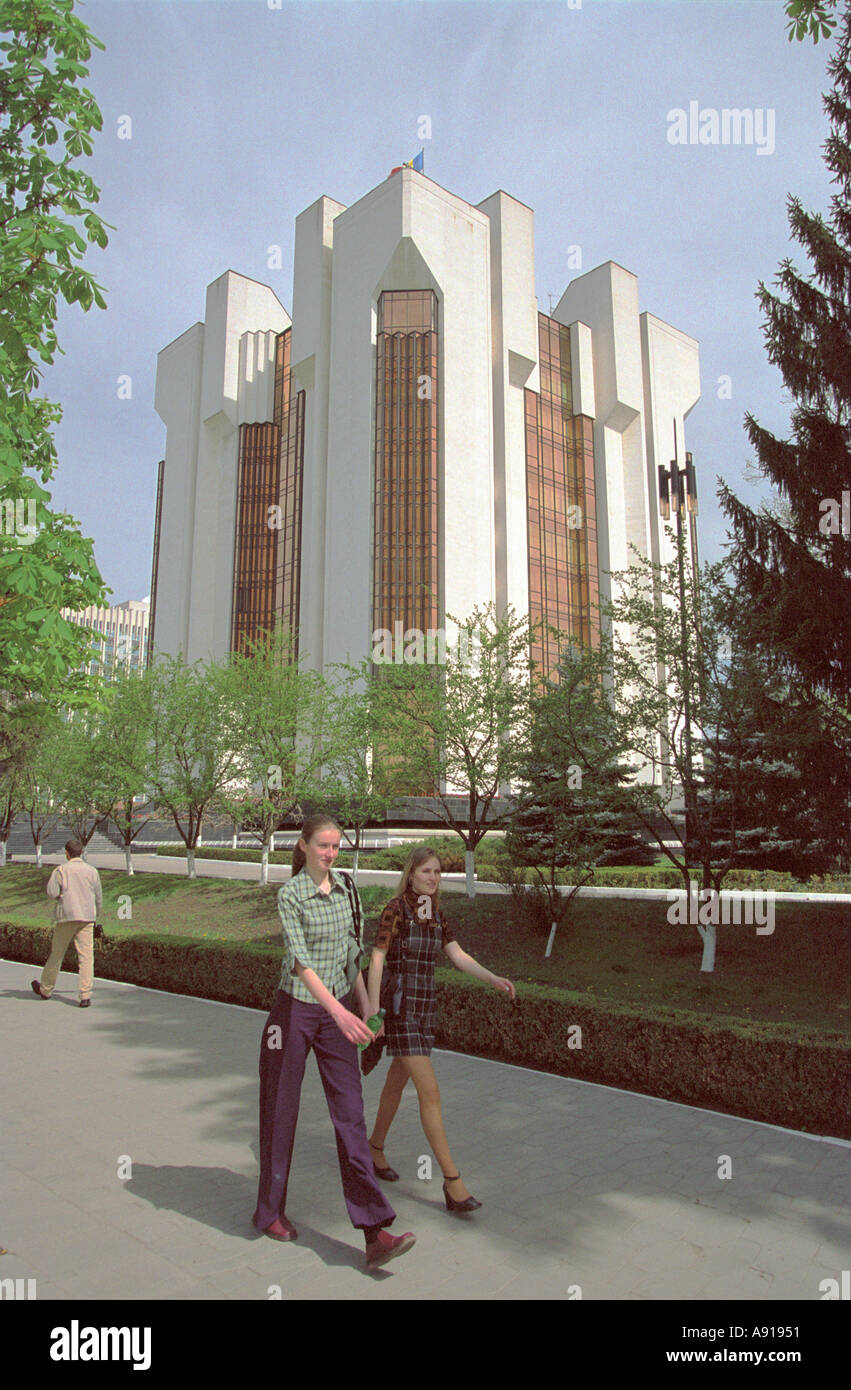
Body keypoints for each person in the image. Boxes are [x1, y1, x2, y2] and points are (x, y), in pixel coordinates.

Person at [252, 815, 416, 1268]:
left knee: (349, 1118)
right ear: (303, 846)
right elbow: (301, 964)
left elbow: (350, 953)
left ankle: (374, 1234)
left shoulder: (347, 888)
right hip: (296, 1011)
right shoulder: (290, 895)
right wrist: (340, 1014)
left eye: (335, 847)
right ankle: (269, 1212)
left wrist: (363, 1006)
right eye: (322, 845)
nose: (329, 853)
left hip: (339, 1012)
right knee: (280, 1112)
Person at [365, 846, 516, 1212]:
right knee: (430, 1092)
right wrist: (374, 1011)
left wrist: (491, 977)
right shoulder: (396, 908)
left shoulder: (434, 913)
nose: (433, 878)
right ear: (411, 873)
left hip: (425, 1010)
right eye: (426, 872)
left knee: (394, 1085)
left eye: (437, 873)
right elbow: (377, 957)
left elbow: (456, 953)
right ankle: (453, 1182)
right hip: (400, 1010)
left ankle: (374, 1150)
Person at [32, 838, 102, 1008]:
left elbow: (51, 892)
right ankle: (85, 995)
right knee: (86, 957)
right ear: (82, 852)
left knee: (57, 954)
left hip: (67, 917)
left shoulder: (61, 870)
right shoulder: (92, 871)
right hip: (87, 917)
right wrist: (96, 916)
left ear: (67, 853)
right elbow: (98, 897)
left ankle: (46, 989)